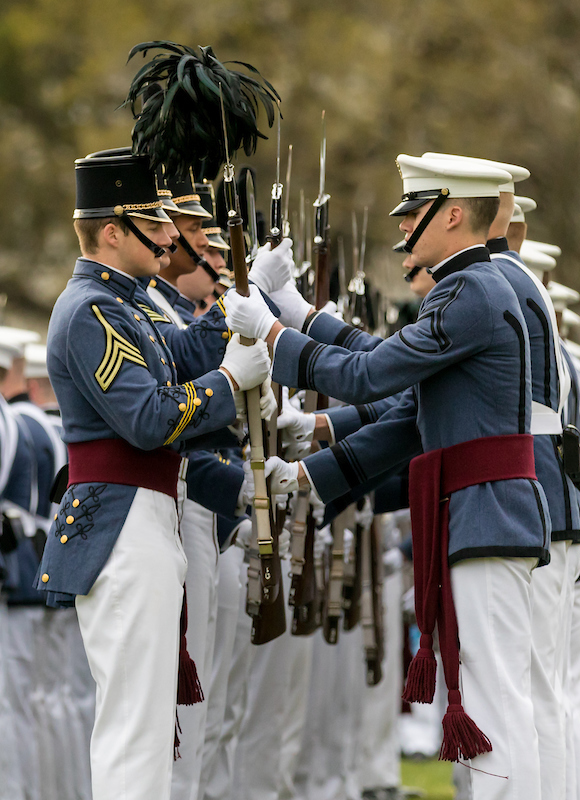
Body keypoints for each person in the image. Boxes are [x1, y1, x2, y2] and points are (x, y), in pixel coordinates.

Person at [224, 154, 548, 800]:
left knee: (496, 707)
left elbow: (374, 378)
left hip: (485, 512)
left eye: (414, 212)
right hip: (481, 511)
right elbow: (406, 403)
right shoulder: (469, 289)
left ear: (452, 214)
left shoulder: (470, 292)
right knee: (493, 699)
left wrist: (273, 332)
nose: (404, 227)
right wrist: (313, 471)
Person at [40, 148, 270, 800]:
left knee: (143, 726)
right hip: (122, 524)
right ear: (113, 231)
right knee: (135, 734)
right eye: (154, 222)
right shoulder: (91, 310)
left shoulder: (124, 305)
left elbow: (178, 351)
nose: (172, 237)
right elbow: (146, 415)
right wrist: (230, 382)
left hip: (144, 519)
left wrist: (245, 303)